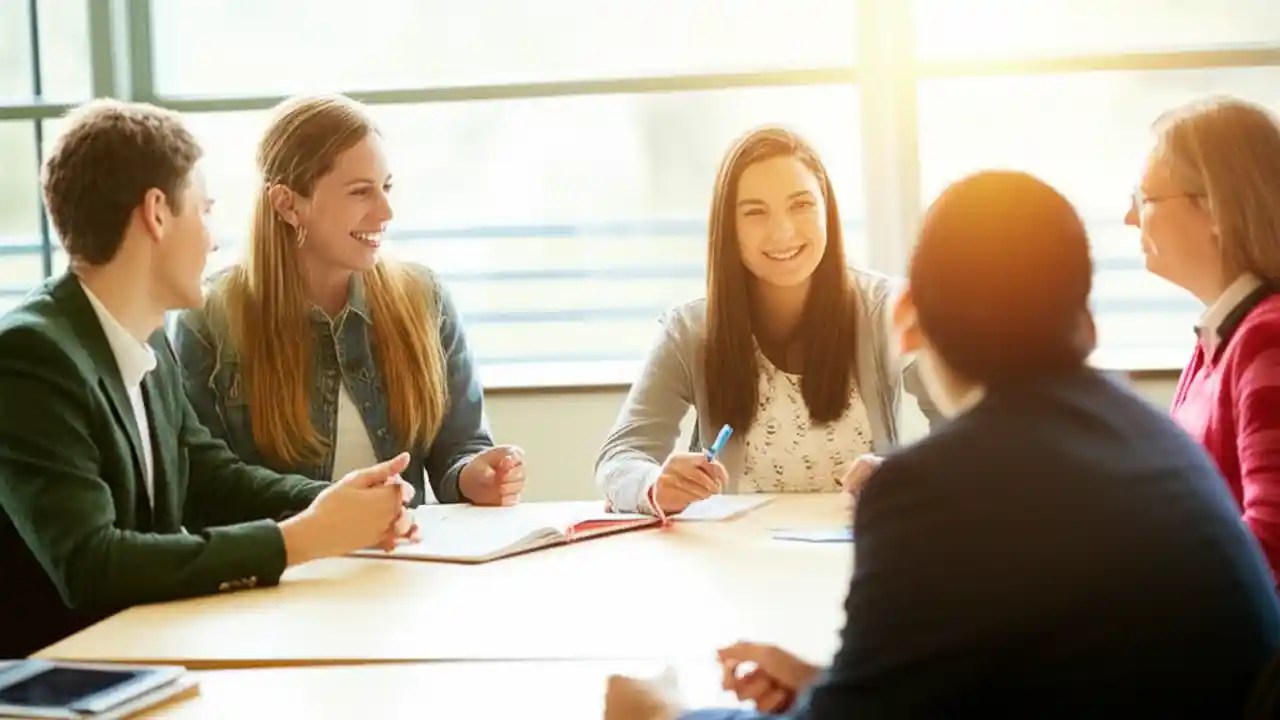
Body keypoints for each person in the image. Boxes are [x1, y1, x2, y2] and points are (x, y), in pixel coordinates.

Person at [606, 170, 1280, 718]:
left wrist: (666, 716)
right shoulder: (1145, 430)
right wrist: (833, 685)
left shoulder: (934, 489)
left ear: (905, 323)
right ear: (1088, 325)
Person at [0, 99, 418, 658]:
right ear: (156, 213)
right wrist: (300, 539)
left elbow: (206, 476)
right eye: (205, 210)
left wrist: (342, 504)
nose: (215, 239)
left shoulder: (141, 336)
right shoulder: (32, 356)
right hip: (62, 684)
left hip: (150, 656)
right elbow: (92, 564)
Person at [172, 94, 524, 507]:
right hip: (285, 567)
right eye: (360, 192)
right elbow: (207, 489)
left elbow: (460, 448)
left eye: (386, 187)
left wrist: (474, 477)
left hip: (411, 561)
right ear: (287, 204)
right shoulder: (212, 317)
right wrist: (334, 515)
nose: (386, 211)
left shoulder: (425, 298)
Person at [595, 126, 937, 517]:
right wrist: (654, 486)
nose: (783, 231)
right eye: (755, 212)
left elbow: (968, 436)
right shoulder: (690, 331)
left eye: (801, 205)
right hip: (736, 561)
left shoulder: (884, 311)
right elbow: (620, 457)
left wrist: (903, 471)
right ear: (730, 228)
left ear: (828, 210)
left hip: (863, 553)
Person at [1125, 95, 1280, 585]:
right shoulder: (1220, 339)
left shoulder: (1266, 338)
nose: (1130, 218)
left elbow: (1271, 542)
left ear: (1215, 208)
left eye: (1144, 199)